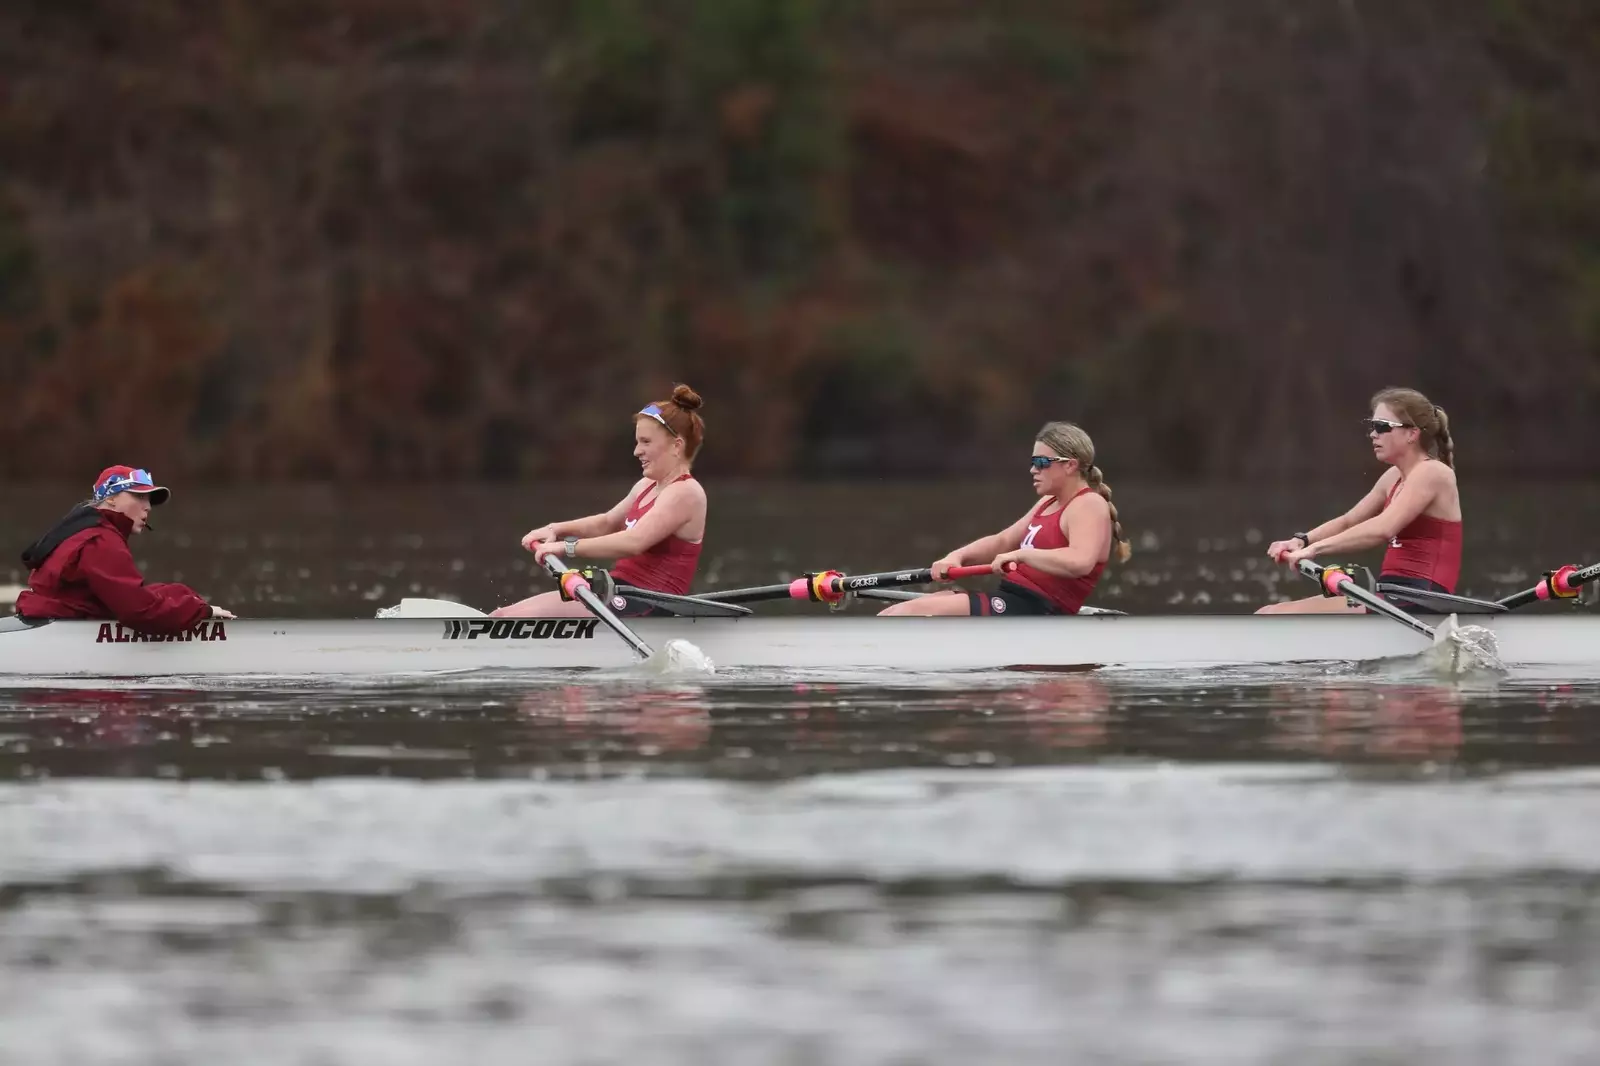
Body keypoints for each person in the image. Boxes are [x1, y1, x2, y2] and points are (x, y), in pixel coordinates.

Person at [493, 385, 708, 618]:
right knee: (502, 614)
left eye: (646, 442)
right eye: (637, 442)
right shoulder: (646, 486)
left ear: (676, 446)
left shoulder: (686, 493)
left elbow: (635, 541)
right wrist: (555, 529)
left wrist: (567, 548)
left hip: (649, 603)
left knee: (509, 620)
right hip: (620, 590)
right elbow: (606, 523)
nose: (637, 451)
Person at [879, 422, 1131, 617]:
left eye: (1042, 462)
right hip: (1012, 602)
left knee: (908, 613)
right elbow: (1003, 541)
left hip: (1039, 610)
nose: (1034, 469)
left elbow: (1080, 562)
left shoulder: (1088, 505)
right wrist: (955, 557)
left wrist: (1021, 555)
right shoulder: (1048, 502)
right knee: (894, 612)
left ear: (1070, 465)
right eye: (1033, 462)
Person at [1260, 387, 1459, 613]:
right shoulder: (1393, 477)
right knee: (1267, 613)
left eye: (1382, 427)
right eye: (1372, 426)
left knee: (1272, 615)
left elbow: (1383, 528)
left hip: (1421, 601)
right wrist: (1301, 541)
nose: (1373, 434)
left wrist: (1315, 549)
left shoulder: (1433, 473)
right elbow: (1349, 521)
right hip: (1390, 597)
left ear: (1412, 433)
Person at [15, 466, 234, 631]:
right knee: (183, 602)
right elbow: (139, 612)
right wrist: (203, 612)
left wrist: (191, 604)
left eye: (148, 498)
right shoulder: (101, 540)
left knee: (178, 593)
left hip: (58, 617)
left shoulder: (85, 529)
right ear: (110, 498)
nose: (147, 506)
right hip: (60, 629)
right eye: (139, 496)